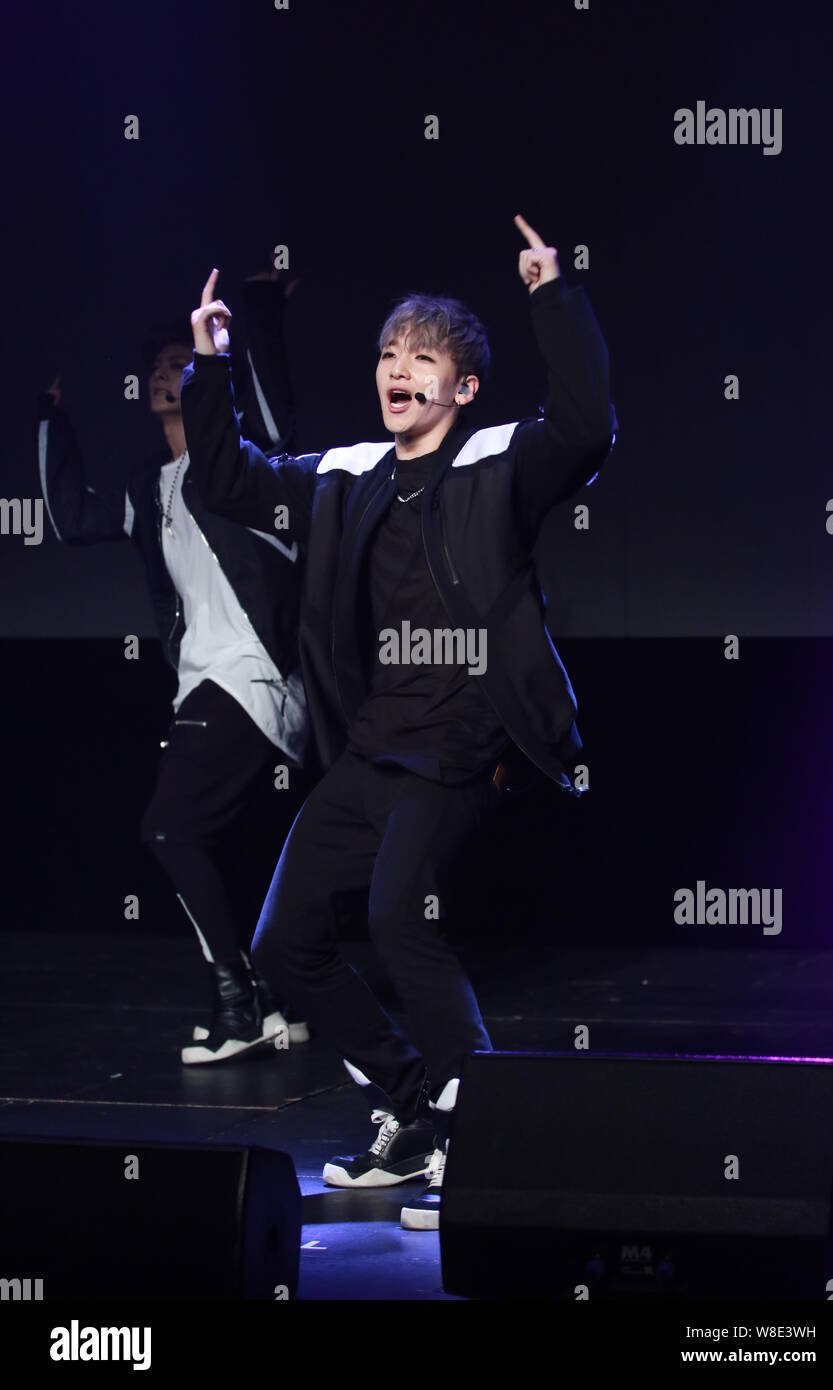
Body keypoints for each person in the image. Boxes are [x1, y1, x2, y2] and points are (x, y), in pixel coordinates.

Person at [180, 215, 617, 1228]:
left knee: (393, 916)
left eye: (422, 357)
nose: (397, 370)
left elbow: (587, 426)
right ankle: (411, 1106)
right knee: (283, 940)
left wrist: (551, 295)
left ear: (462, 387)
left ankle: (480, 1135)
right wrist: (211, 364)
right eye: (387, 353)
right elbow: (229, 477)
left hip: (464, 741)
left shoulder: (500, 459)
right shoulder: (346, 474)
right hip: (373, 743)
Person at [37, 271, 311, 1064]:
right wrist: (50, 420)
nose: (165, 375)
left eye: (178, 363)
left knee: (169, 826)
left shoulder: (240, 468)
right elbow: (70, 520)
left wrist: (252, 320)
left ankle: (239, 1002)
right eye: (156, 367)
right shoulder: (146, 487)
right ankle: (272, 997)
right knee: (217, 842)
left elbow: (268, 416)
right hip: (206, 680)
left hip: (250, 674)